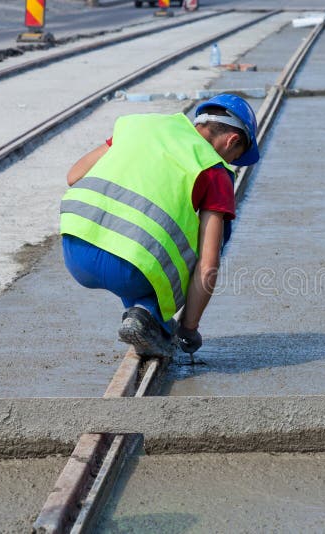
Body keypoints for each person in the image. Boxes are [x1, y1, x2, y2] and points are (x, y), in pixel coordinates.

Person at [60, 94, 259, 357]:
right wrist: (189, 327)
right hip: (131, 270)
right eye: (236, 156)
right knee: (203, 243)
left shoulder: (143, 125)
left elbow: (74, 175)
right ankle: (149, 314)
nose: (231, 163)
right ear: (232, 140)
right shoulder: (214, 170)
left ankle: (141, 313)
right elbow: (209, 264)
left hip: (75, 250)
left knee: (142, 241)